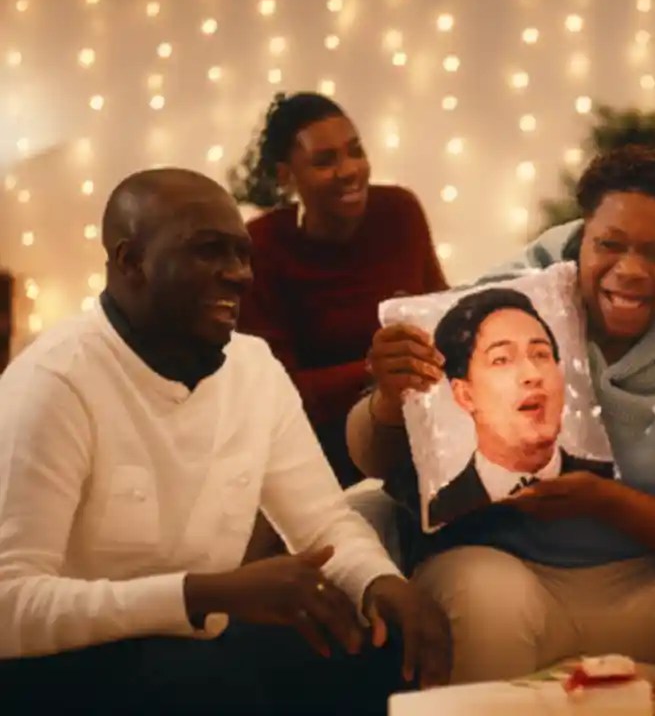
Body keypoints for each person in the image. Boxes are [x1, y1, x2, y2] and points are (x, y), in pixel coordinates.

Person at [348, 146, 655, 716]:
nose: (630, 271)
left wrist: (608, 502)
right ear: (581, 236)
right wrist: (387, 397)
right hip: (500, 565)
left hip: (653, 582)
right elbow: (378, 463)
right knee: (485, 598)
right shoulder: (493, 314)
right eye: (610, 245)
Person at [0, 169, 450, 714]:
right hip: (64, 668)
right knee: (202, 684)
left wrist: (382, 585)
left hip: (197, 644)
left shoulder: (254, 367)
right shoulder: (54, 382)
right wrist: (205, 593)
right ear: (130, 262)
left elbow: (324, 522)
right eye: (209, 252)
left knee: (378, 649)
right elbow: (10, 606)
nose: (239, 275)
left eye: (243, 255)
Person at [232, 91, 448, 488]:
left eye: (355, 151)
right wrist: (376, 369)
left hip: (417, 413)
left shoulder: (399, 211)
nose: (349, 170)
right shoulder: (260, 246)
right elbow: (274, 389)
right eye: (325, 161)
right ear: (286, 176)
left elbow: (441, 314)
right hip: (317, 440)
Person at [426, 286, 612, 526]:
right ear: (465, 395)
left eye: (541, 355)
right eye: (501, 360)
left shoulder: (608, 485)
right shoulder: (442, 511)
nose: (532, 375)